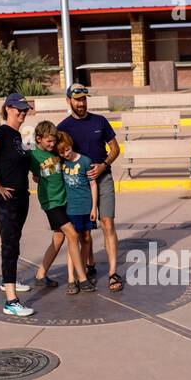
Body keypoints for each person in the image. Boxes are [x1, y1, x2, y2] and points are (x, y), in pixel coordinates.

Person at [57, 84, 123, 291]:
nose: (81, 103)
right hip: (78, 185)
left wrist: (103, 165)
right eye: (77, 100)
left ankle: (113, 272)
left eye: (84, 99)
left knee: (107, 222)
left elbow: (115, 148)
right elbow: (54, 154)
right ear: (69, 101)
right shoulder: (63, 128)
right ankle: (89, 265)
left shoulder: (100, 121)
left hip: (103, 178)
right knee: (83, 230)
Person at [0, 93, 36, 317]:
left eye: (25, 110)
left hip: (21, 196)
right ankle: (11, 301)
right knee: (9, 244)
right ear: (8, 109)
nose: (22, 114)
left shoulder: (18, 136)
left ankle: (7, 280)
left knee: (15, 240)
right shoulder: (2, 132)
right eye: (19, 110)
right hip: (6, 199)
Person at [29, 120, 94, 294]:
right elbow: (31, 173)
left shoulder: (56, 152)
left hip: (65, 200)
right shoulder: (33, 156)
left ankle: (40, 275)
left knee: (59, 238)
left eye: (53, 141)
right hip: (51, 203)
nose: (52, 144)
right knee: (72, 235)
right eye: (48, 141)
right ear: (39, 139)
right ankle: (81, 278)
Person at [57, 130, 98, 262]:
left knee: (85, 239)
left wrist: (93, 209)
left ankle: (83, 269)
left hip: (86, 207)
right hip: (70, 209)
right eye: (62, 152)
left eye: (67, 150)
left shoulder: (85, 161)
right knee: (73, 241)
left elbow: (93, 185)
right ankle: (74, 274)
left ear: (71, 145)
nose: (66, 154)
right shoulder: (61, 163)